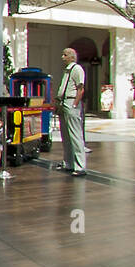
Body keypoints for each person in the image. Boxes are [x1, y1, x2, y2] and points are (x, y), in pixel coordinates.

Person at [54, 44, 89, 177]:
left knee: (75, 134)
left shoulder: (77, 69)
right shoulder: (67, 70)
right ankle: (68, 163)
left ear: (72, 57)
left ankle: (80, 166)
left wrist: (75, 104)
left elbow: (80, 88)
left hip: (71, 102)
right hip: (63, 103)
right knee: (66, 135)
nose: (63, 57)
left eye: (65, 55)